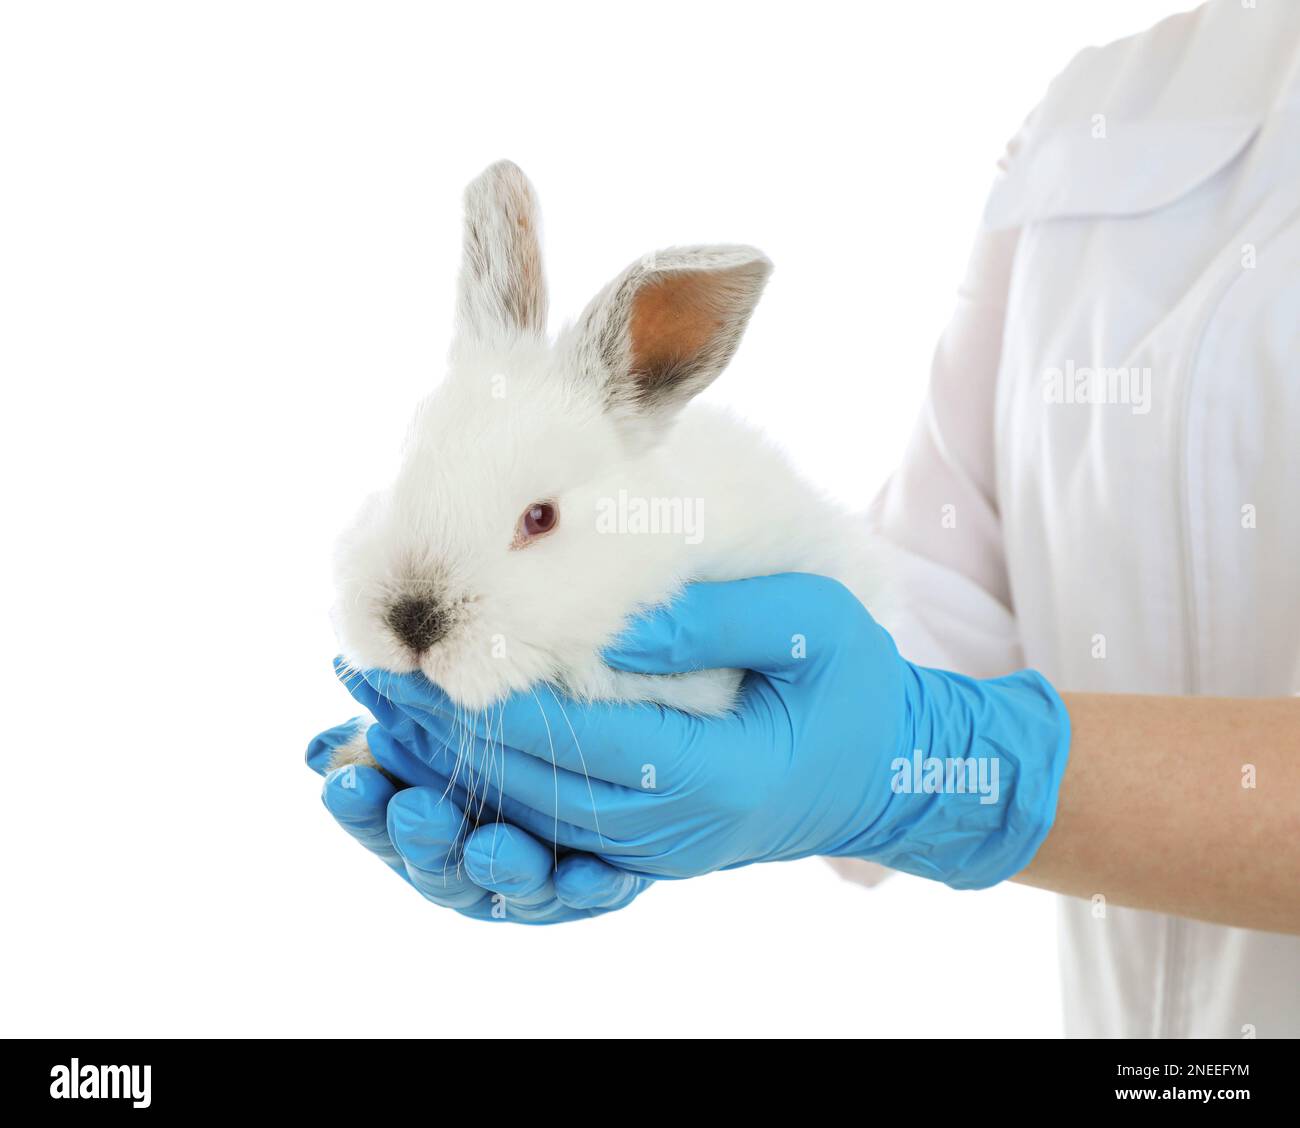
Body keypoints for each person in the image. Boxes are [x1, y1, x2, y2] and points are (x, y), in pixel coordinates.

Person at [308, 0, 1300, 1037]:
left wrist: (921, 773)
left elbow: (892, 738)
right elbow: (925, 605)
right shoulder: (1107, 110)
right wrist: (690, 753)